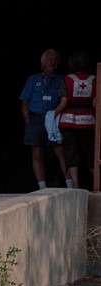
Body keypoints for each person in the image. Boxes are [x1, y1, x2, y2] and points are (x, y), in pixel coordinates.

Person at [19, 49, 69, 189]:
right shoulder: (33, 79)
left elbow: (65, 101)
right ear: (43, 62)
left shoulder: (61, 79)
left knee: (61, 153)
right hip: (35, 120)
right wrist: (28, 122)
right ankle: (42, 188)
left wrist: (55, 117)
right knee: (37, 153)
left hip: (54, 120)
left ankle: (70, 185)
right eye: (50, 59)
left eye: (55, 59)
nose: (52, 61)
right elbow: (25, 102)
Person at [58, 51, 97, 190]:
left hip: (68, 119)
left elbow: (63, 102)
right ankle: (97, 182)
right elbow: (95, 103)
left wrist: (53, 115)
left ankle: (75, 184)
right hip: (87, 120)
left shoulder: (67, 79)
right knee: (90, 152)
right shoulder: (94, 79)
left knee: (70, 151)